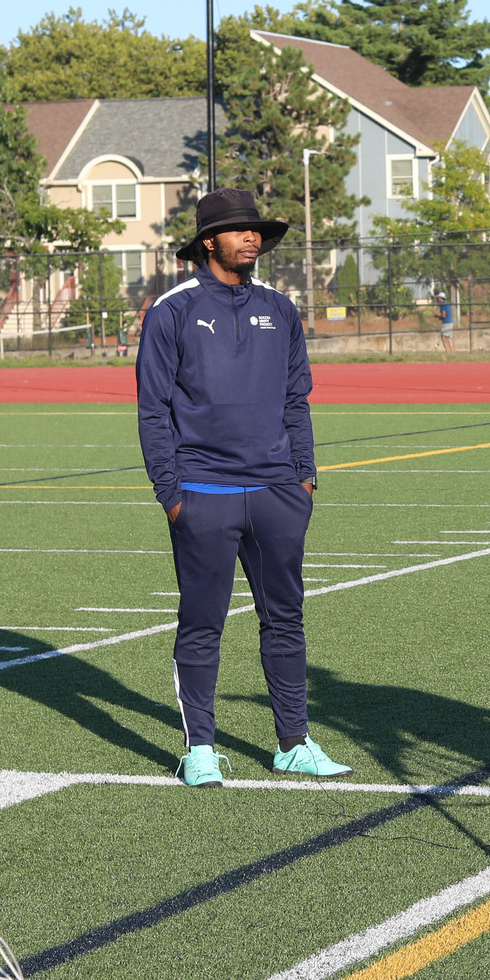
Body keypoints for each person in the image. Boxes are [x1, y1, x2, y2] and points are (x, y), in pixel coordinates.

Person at [136, 188, 354, 786]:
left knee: (285, 619)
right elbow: (152, 410)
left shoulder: (280, 309)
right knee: (202, 623)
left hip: (279, 492)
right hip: (203, 494)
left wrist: (304, 477)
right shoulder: (172, 310)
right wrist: (172, 496)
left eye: (256, 229)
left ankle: (293, 742)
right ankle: (200, 749)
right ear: (210, 241)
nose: (252, 237)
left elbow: (296, 398)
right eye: (237, 230)